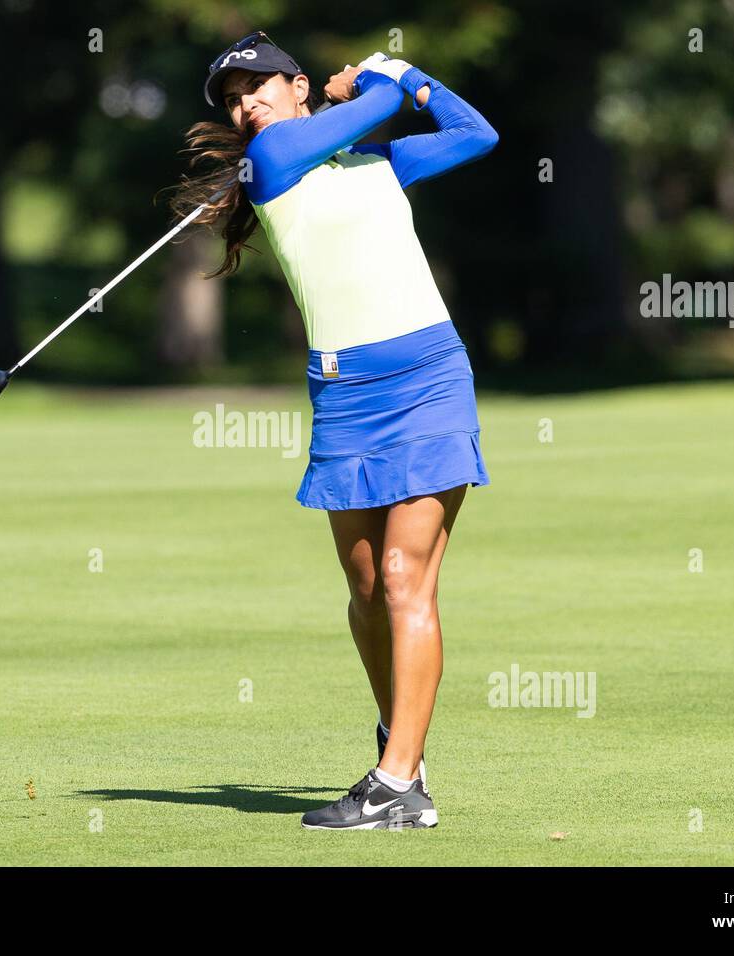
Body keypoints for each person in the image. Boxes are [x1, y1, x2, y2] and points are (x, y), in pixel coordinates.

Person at [171, 32, 498, 830]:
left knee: (402, 578)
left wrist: (404, 74)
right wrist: (379, 80)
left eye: (257, 86)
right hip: (346, 397)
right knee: (364, 591)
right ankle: (405, 746)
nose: (245, 105)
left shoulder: (378, 164)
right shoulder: (276, 161)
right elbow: (384, 103)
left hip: (427, 381)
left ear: (298, 85)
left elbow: (476, 134)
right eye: (232, 98)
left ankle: (394, 781)